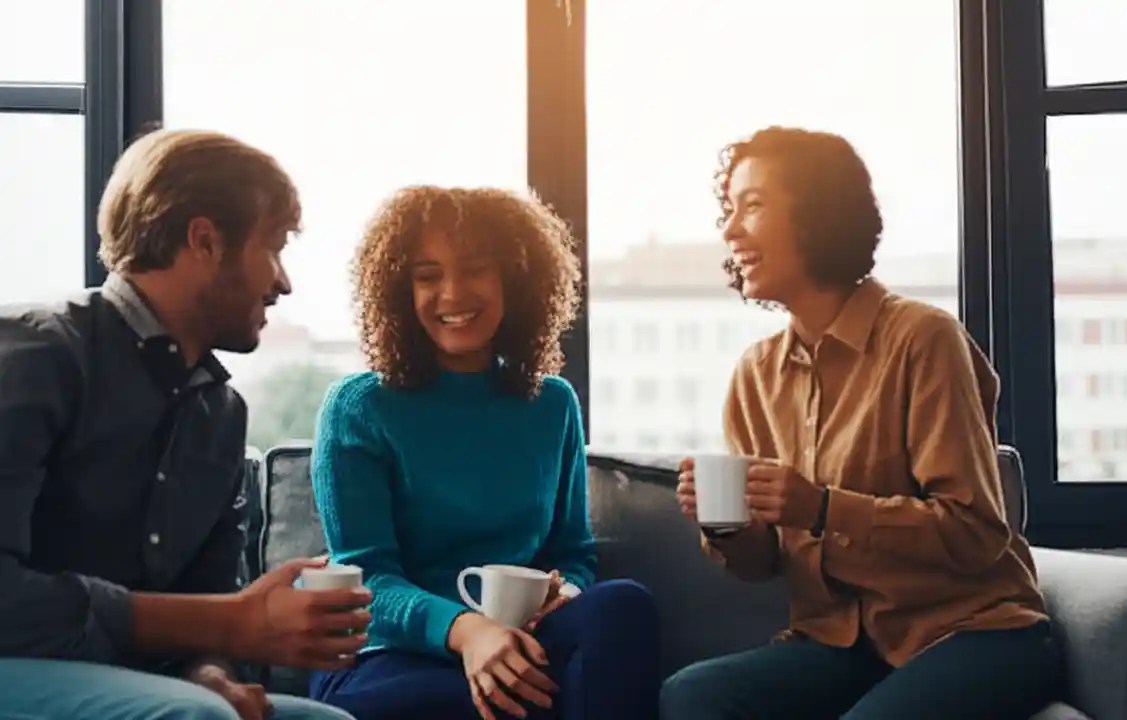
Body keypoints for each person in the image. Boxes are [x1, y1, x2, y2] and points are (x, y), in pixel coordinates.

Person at [660, 127, 1065, 719]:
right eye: (730, 209)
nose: (730, 230)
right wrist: (726, 526)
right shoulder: (757, 374)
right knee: (692, 696)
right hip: (843, 647)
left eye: (753, 205)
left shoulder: (924, 340)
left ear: (818, 213)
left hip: (973, 634)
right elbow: (764, 562)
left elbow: (976, 532)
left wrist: (823, 508)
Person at [0, 129, 370, 720]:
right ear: (205, 242)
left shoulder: (220, 416)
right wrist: (230, 625)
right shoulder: (34, 355)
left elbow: (212, 604)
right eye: (273, 248)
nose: (283, 282)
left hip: (127, 682)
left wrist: (210, 672)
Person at [307, 185, 660, 720]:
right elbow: (366, 577)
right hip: (389, 655)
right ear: (399, 290)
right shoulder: (360, 408)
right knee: (501, 707)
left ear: (513, 279)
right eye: (428, 275)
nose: (452, 293)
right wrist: (468, 632)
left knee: (624, 604)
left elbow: (573, 552)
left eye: (475, 269)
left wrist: (564, 593)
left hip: (520, 644)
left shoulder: (553, 404)